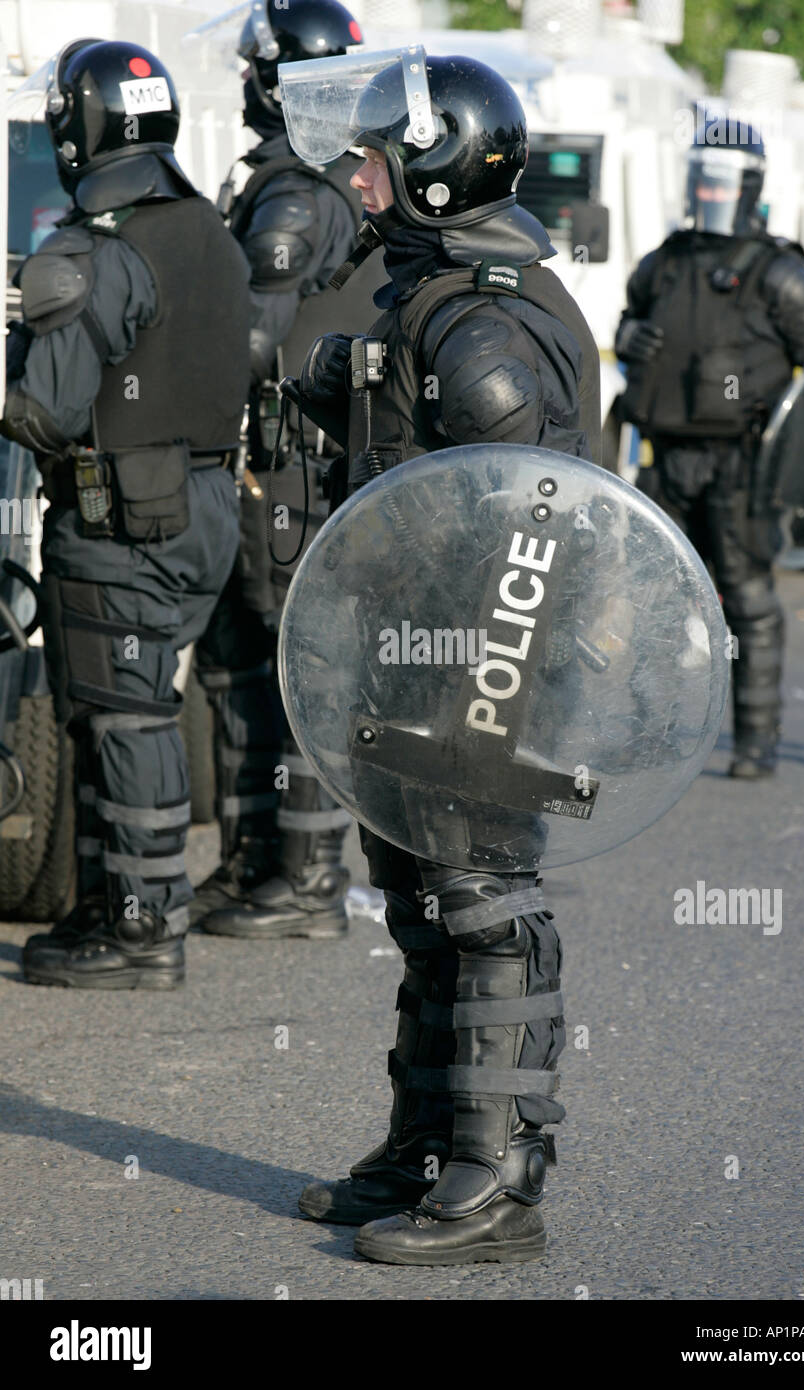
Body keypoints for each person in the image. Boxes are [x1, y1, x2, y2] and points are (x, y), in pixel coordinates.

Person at [279, 48, 601, 1264]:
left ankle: (498, 1182)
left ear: (432, 172)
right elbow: (410, 469)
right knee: (422, 912)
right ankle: (425, 1149)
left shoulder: (482, 334)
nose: (356, 181)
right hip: (411, 662)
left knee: (484, 914)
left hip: (481, 670)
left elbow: (517, 528)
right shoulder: (434, 296)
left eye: (372, 161)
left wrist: (478, 692)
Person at [2, 39, 250, 988]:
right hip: (203, 508)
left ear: (81, 126)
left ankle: (144, 932)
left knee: (127, 719)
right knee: (127, 710)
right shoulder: (208, 229)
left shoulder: (100, 249)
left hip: (122, 523)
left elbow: (44, 413)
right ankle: (113, 909)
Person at [189, 0, 384, 940]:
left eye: (249, 68)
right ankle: (248, 862)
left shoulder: (300, 191)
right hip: (270, 463)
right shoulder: (304, 175)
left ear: (277, 79)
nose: (238, 84)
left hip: (289, 471)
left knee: (289, 661)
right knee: (236, 663)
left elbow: (252, 336)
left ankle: (305, 881)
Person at [615, 116, 804, 778]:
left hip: (741, 465)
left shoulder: (780, 275)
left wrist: (794, 465)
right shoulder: (665, 261)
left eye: (721, 181)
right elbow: (629, 319)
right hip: (667, 457)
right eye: (700, 178)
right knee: (655, 596)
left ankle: (756, 741)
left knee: (747, 601)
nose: (707, 193)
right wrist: (627, 341)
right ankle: (651, 734)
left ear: (749, 188)